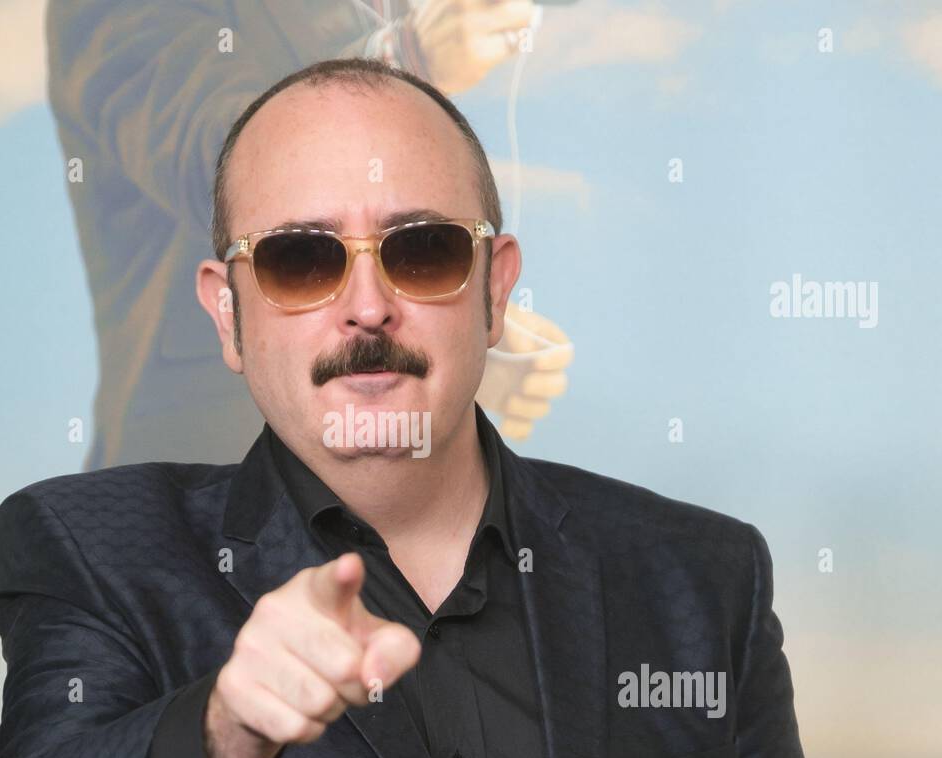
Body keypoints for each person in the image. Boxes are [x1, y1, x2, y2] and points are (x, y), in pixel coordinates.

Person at [0, 57, 833, 758]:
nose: (368, 307)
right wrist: (226, 729)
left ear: (496, 291)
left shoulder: (704, 580)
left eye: (422, 251)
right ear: (227, 315)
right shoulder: (94, 547)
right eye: (299, 258)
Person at [45, 0, 570, 470]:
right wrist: (406, 56)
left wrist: (447, 338)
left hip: (392, 510)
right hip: (205, 481)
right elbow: (225, 163)